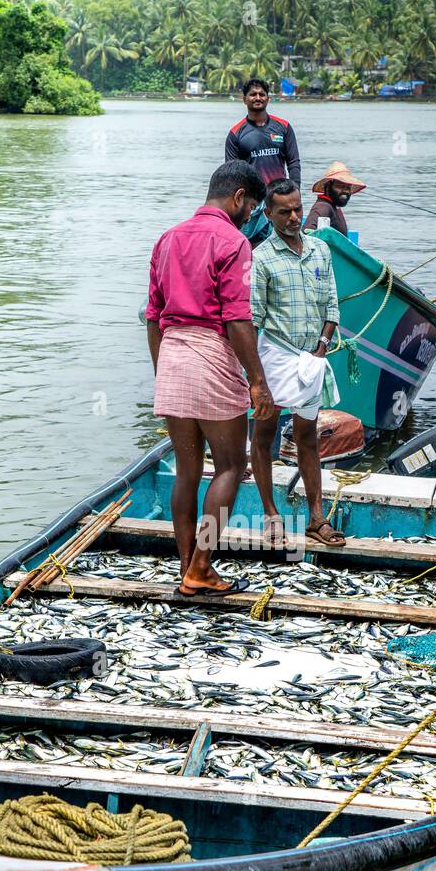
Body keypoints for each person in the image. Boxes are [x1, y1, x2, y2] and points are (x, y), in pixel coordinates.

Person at [146, 160, 276, 596]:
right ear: (239, 197)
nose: (251, 215)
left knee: (186, 470)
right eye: (252, 206)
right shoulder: (233, 241)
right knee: (231, 466)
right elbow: (238, 320)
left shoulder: (168, 239)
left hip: (172, 355)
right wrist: (257, 380)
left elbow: (152, 316)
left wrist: (162, 367)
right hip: (210, 354)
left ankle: (187, 569)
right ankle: (201, 566)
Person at [249, 179, 345, 547]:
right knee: (264, 435)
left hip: (310, 357)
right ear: (269, 214)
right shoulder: (262, 258)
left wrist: (322, 346)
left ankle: (317, 517)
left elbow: (332, 304)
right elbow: (254, 317)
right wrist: (253, 374)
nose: (292, 217)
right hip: (275, 354)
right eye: (284, 212)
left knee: (308, 436)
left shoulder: (320, 250)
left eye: (297, 209)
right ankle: (271, 513)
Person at [225, 77, 301, 246]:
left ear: (268, 98)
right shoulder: (236, 133)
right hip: (252, 203)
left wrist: (295, 193)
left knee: (286, 243)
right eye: (253, 94)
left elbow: (294, 163)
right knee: (247, 246)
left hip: (280, 199)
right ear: (244, 99)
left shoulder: (284, 127)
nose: (257, 98)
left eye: (262, 94)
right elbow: (231, 175)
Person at [305, 161, 366, 236]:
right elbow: (306, 235)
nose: (346, 191)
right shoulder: (323, 207)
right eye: (340, 186)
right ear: (328, 186)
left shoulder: (334, 206)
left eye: (348, 187)